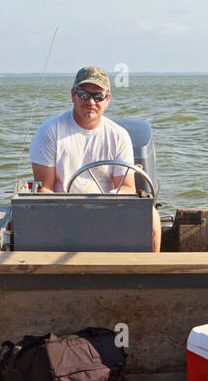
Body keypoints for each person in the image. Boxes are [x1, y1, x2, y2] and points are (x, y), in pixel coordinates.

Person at [29, 65, 162, 251]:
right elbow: (45, 189)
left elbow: (127, 187)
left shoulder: (119, 135)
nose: (91, 101)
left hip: (110, 208)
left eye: (98, 96)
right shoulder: (50, 131)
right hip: (62, 210)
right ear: (73, 95)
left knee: (154, 219)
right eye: (84, 94)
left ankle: (150, 275)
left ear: (107, 99)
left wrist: (105, 203)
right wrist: (70, 212)